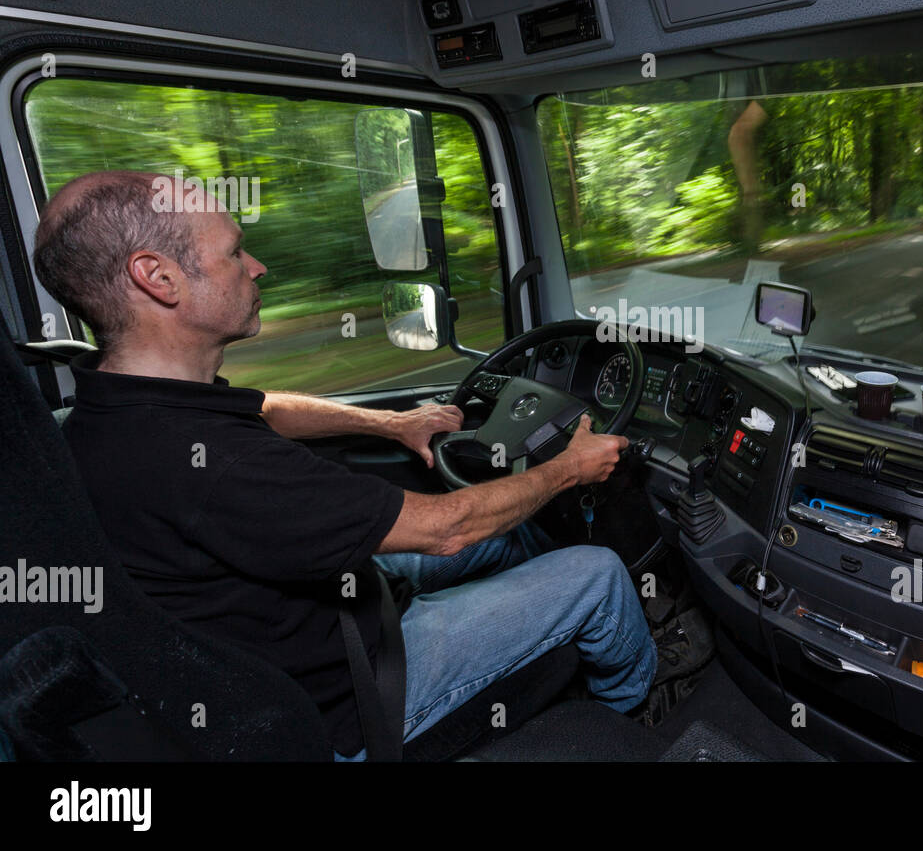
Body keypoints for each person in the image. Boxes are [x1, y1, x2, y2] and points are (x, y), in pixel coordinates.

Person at [32, 170, 657, 760]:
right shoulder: (212, 464)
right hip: (353, 694)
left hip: (295, 627)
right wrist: (568, 470)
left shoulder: (106, 409)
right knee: (596, 573)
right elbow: (449, 528)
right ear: (158, 278)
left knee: (513, 537)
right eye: (233, 252)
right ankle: (633, 720)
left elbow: (267, 408)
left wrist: (392, 422)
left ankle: (540, 639)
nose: (257, 267)